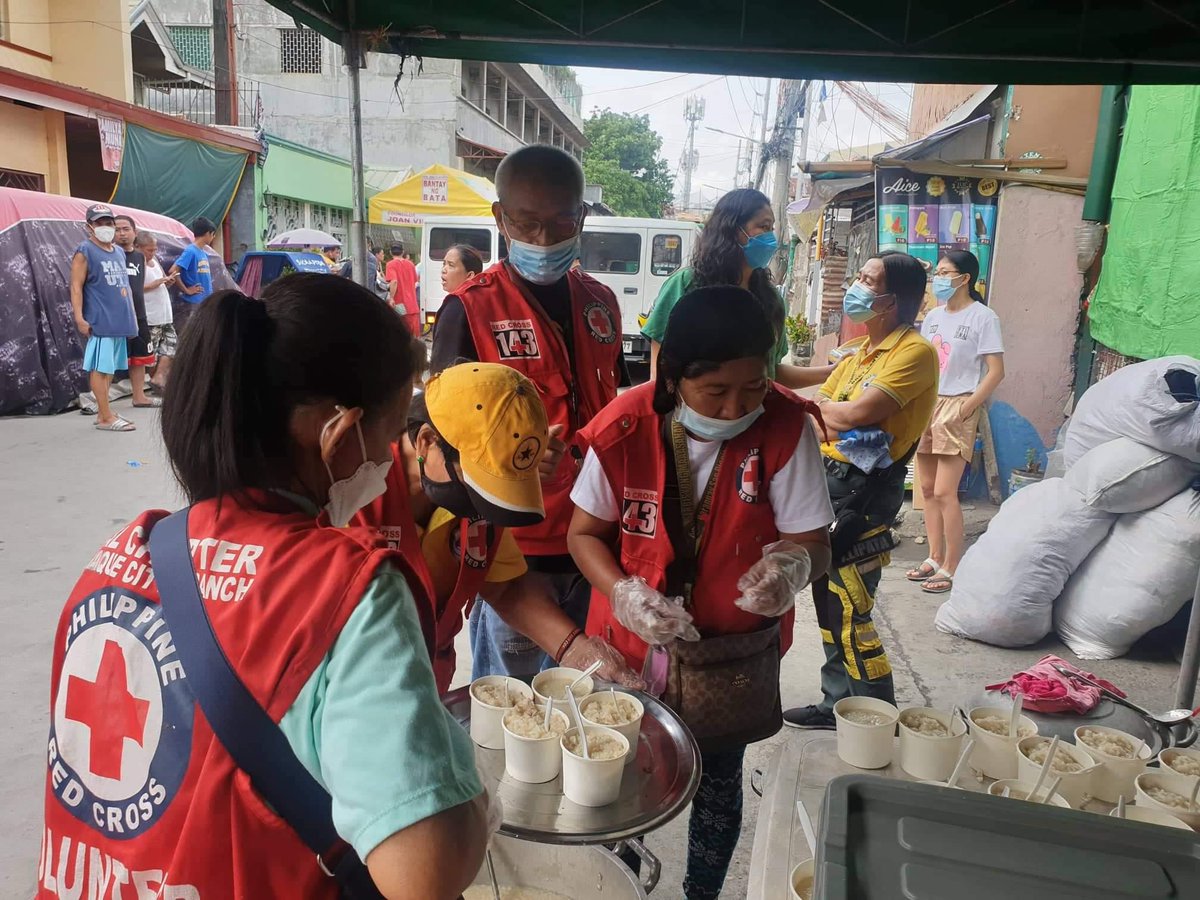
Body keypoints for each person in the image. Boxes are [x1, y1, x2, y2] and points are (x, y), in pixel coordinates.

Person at [39, 273, 489, 899]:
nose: (391, 465)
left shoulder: (118, 556)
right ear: (336, 434)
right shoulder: (345, 591)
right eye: (387, 442)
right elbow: (423, 874)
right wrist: (469, 790)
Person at [568, 285, 832, 900]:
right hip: (631, 645)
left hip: (729, 658)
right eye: (715, 391)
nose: (735, 406)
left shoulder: (787, 428)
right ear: (674, 377)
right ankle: (614, 886)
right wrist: (624, 591)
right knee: (615, 777)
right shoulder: (626, 426)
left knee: (717, 783)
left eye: (754, 388)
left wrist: (790, 570)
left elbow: (814, 541)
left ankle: (701, 893)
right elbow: (585, 534)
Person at [430, 144, 625, 680]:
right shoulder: (469, 310)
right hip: (515, 557)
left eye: (562, 222)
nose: (544, 239)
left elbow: (621, 408)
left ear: (582, 216)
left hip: (599, 544)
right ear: (500, 218)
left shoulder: (600, 302)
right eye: (528, 223)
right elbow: (438, 443)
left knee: (591, 702)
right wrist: (504, 459)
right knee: (514, 712)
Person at [355, 361, 642, 692]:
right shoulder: (354, 487)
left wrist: (576, 648)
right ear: (427, 441)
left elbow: (506, 587)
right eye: (479, 484)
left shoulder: (475, 503)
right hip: (356, 683)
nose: (484, 505)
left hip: (429, 673)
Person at [783, 251, 939, 729]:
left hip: (866, 494)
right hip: (831, 484)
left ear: (892, 300)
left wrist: (829, 414)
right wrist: (829, 413)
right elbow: (827, 406)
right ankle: (836, 704)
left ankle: (877, 712)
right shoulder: (862, 353)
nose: (857, 285)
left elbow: (849, 415)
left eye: (868, 281)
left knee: (852, 607)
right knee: (829, 602)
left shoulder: (914, 353)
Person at [641, 187, 834, 391]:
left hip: (755, 417)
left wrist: (831, 372)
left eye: (771, 228)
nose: (771, 237)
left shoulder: (771, 300)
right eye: (763, 226)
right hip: (694, 417)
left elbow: (772, 373)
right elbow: (660, 367)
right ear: (733, 230)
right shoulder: (688, 284)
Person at [908, 250, 1004, 593]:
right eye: (938, 273)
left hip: (959, 405)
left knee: (947, 492)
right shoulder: (932, 317)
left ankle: (952, 565)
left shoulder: (984, 317)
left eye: (946, 273)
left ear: (965, 279)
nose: (939, 279)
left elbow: (996, 371)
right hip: (928, 404)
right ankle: (934, 557)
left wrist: (968, 408)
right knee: (929, 489)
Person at [70, 203, 138, 432]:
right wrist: (79, 317)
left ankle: (103, 413)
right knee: (100, 368)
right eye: (100, 223)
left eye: (109, 222)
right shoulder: (84, 251)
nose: (106, 227)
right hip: (100, 320)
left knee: (109, 369)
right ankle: (106, 417)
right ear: (89, 226)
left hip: (120, 319)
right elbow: (76, 287)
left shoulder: (118, 251)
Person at [114, 214, 160, 409]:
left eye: (126, 229)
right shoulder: (108, 254)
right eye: (117, 229)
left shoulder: (139, 257)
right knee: (108, 360)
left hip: (139, 316)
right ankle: (99, 404)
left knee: (139, 358)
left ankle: (139, 396)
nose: (122, 234)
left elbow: (138, 287)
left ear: (135, 232)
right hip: (115, 317)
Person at [136, 229, 179, 389]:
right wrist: (157, 283)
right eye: (149, 250)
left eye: (155, 249)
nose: (153, 253)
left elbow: (160, 279)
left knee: (171, 346)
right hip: (150, 315)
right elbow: (135, 288)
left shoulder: (154, 261)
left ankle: (158, 377)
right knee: (150, 353)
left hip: (164, 313)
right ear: (139, 247)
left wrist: (167, 282)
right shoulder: (136, 263)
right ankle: (149, 380)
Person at [170, 215, 216, 329]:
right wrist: (186, 290)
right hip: (193, 303)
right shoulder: (191, 251)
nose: (213, 237)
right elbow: (173, 271)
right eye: (213, 234)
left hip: (204, 302)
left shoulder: (202, 252)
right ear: (208, 233)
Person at [387, 242, 421, 336]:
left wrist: (391, 298)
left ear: (390, 252)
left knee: (401, 337)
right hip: (413, 307)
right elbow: (415, 281)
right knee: (414, 338)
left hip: (400, 306)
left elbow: (394, 281)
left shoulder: (391, 264)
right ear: (403, 252)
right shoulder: (411, 264)